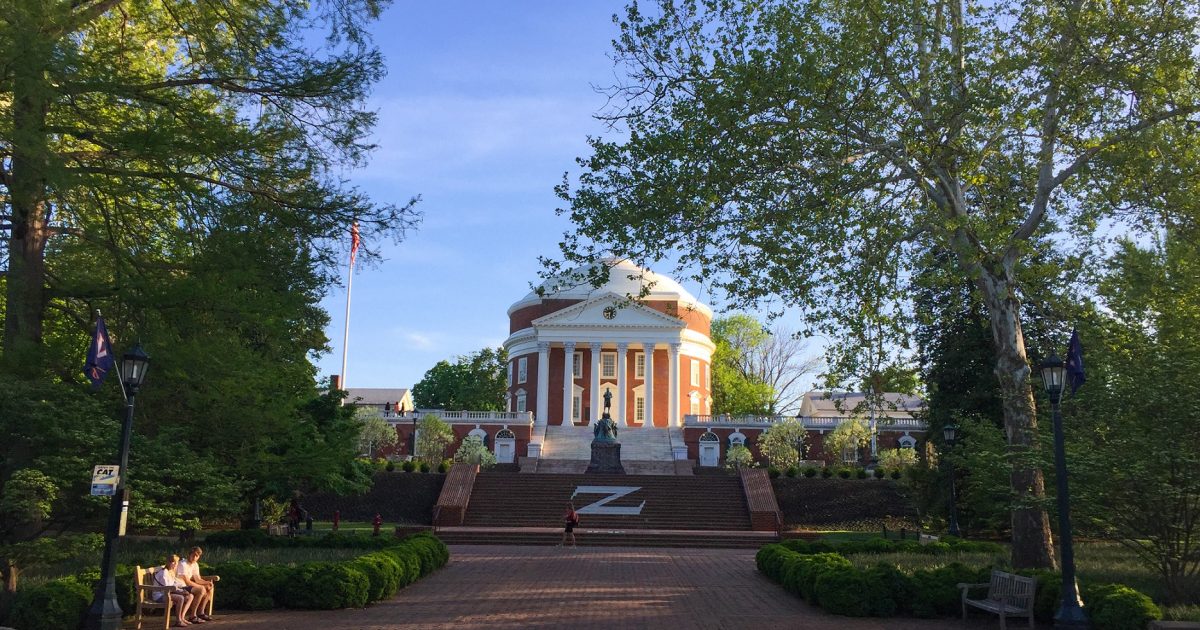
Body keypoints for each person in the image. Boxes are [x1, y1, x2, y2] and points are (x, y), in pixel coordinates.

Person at [176, 546, 218, 623]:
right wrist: (202, 587)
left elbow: (198, 579)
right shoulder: (183, 564)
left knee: (209, 587)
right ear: (189, 554)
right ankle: (192, 616)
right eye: (193, 555)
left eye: (197, 556)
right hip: (181, 586)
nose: (194, 557)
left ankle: (201, 613)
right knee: (201, 590)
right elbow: (187, 582)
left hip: (188, 586)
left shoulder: (195, 564)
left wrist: (207, 583)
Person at [153, 555, 196, 627]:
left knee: (190, 596)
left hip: (167, 593)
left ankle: (182, 618)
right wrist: (180, 592)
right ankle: (178, 621)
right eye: (173, 562)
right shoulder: (163, 573)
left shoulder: (170, 572)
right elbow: (167, 588)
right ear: (168, 562)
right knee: (180, 598)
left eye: (176, 562)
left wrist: (183, 589)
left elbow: (174, 584)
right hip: (160, 596)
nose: (175, 564)